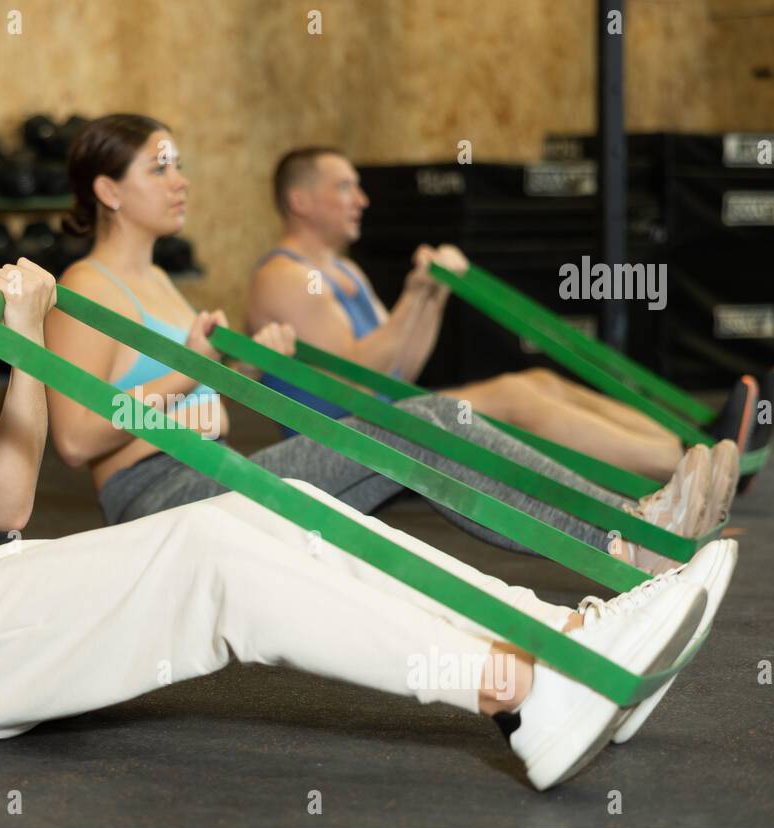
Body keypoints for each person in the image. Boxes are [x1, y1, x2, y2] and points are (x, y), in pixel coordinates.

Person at [0, 70, 729, 794]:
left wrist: (15, 349)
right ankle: (517, 692)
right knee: (221, 549)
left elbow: (3, 502)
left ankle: (565, 639)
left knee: (287, 516)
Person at [46, 114, 737, 574]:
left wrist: (226, 365)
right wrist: (189, 368)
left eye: (179, 164)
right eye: (160, 168)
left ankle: (628, 526)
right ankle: (620, 540)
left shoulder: (164, 282)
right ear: (108, 189)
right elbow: (76, 438)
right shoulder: (85, 288)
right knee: (421, 427)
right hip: (158, 496)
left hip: (212, 465)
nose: (181, 180)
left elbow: (205, 413)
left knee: (438, 421)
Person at [248, 146, 760, 480]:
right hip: (341, 448)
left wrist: (433, 295)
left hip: (387, 417)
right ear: (300, 200)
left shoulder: (347, 272)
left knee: (539, 378)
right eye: (344, 187)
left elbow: (403, 367)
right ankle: (693, 468)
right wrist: (413, 292)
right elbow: (357, 383)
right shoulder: (286, 278)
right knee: (514, 395)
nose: (361, 199)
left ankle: (694, 445)